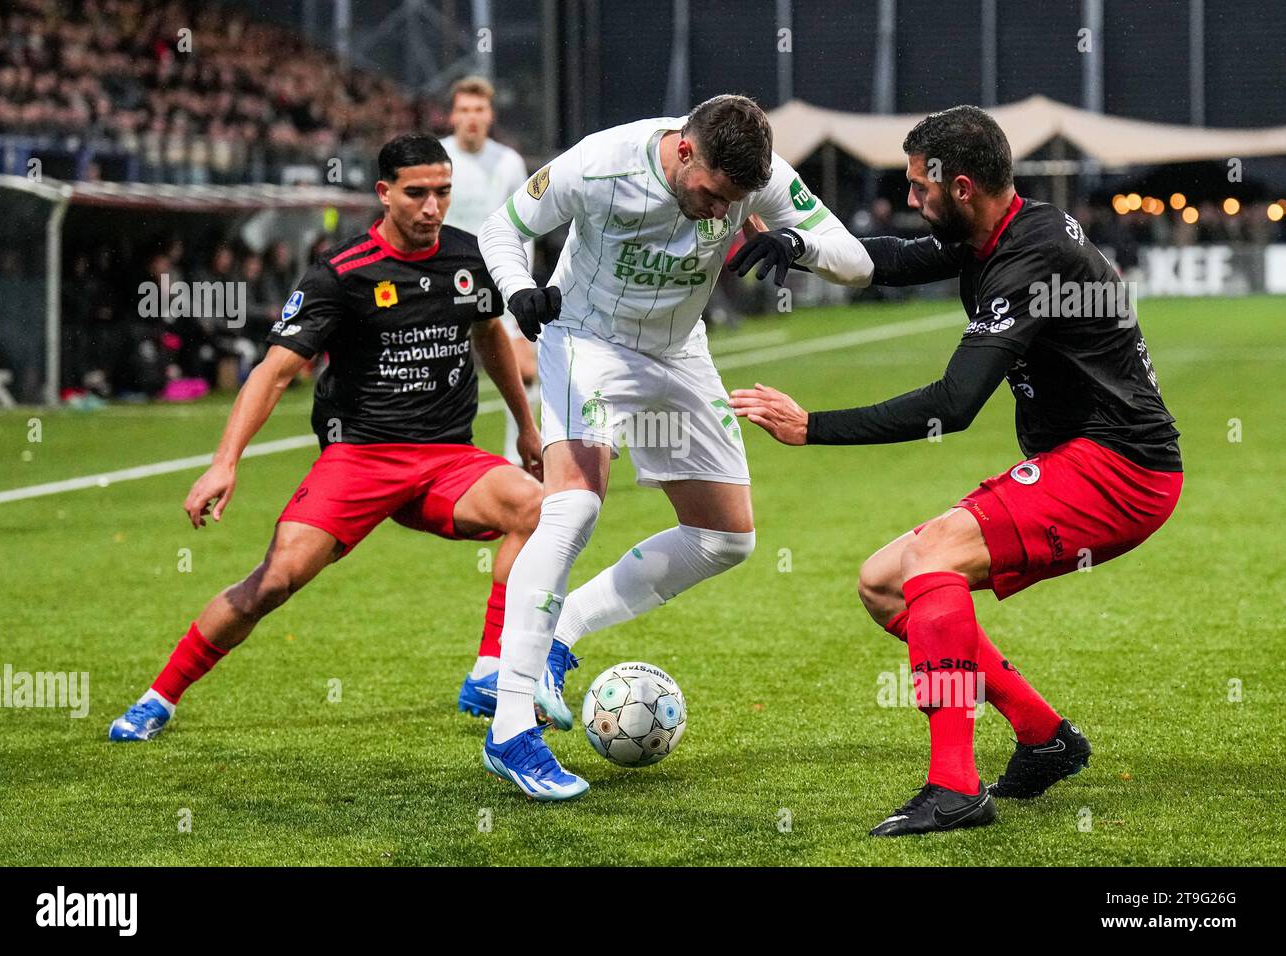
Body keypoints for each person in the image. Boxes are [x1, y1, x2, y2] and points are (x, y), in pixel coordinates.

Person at [729, 106, 1183, 836]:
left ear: (961, 186)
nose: (911, 200)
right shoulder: (995, 226)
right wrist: (799, 244)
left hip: (1122, 469)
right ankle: (1043, 736)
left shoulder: (1029, 256)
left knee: (934, 557)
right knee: (882, 582)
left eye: (918, 188)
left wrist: (812, 427)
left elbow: (954, 403)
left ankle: (955, 787)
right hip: (1091, 459)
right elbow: (893, 261)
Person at [475, 93, 874, 799]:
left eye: (735, 202)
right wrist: (518, 290)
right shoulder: (601, 164)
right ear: (684, 151)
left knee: (726, 539)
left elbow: (858, 263)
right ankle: (510, 724)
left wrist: (796, 242)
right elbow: (499, 230)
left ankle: (559, 631)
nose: (721, 212)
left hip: (678, 350)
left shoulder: (762, 176)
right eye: (714, 195)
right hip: (587, 338)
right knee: (574, 509)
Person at [108, 133, 544, 741]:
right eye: (416, 193)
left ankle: (490, 671)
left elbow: (490, 334)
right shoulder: (340, 274)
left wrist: (526, 428)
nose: (431, 208)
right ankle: (160, 696)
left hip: (450, 460)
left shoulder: (470, 258)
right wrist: (223, 463)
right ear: (383, 194)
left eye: (443, 193)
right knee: (275, 582)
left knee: (538, 509)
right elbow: (273, 372)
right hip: (360, 459)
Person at [439, 76, 537, 469]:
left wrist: (520, 284)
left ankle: (518, 459)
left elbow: (524, 227)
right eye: (464, 110)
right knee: (438, 370)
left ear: (490, 115)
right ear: (452, 115)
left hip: (497, 278)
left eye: (478, 110)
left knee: (525, 370)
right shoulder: (436, 158)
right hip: (442, 280)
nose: (471, 118)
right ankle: (441, 458)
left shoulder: (509, 162)